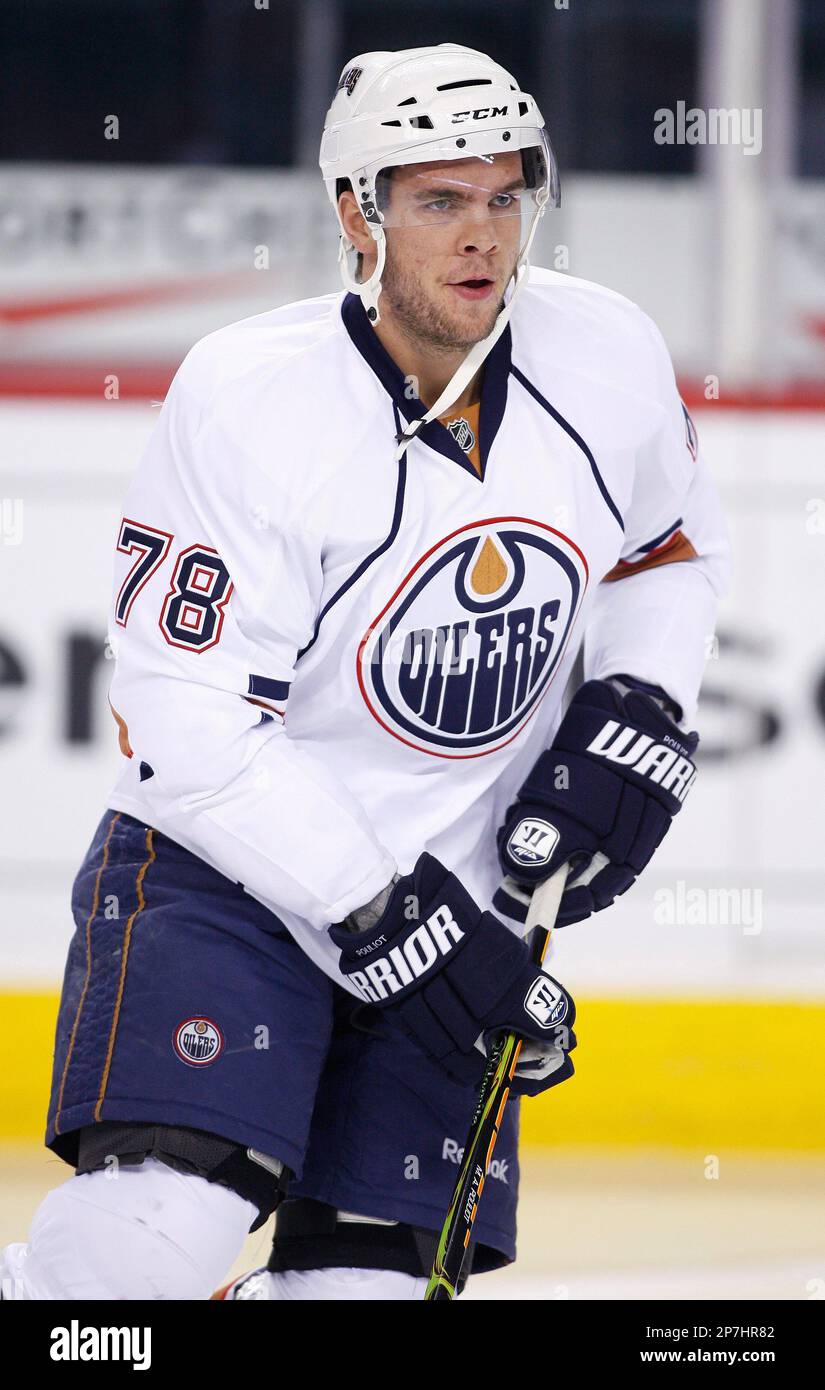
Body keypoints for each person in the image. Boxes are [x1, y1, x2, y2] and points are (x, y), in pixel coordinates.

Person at [2, 43, 728, 1302]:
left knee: (364, 1294)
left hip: (459, 905)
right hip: (227, 882)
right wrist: (388, 915)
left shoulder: (605, 355)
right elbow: (187, 716)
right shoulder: (251, 395)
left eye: (506, 197)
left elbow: (664, 558)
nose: (481, 236)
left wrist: (640, 705)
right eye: (439, 200)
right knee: (141, 1258)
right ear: (357, 213)